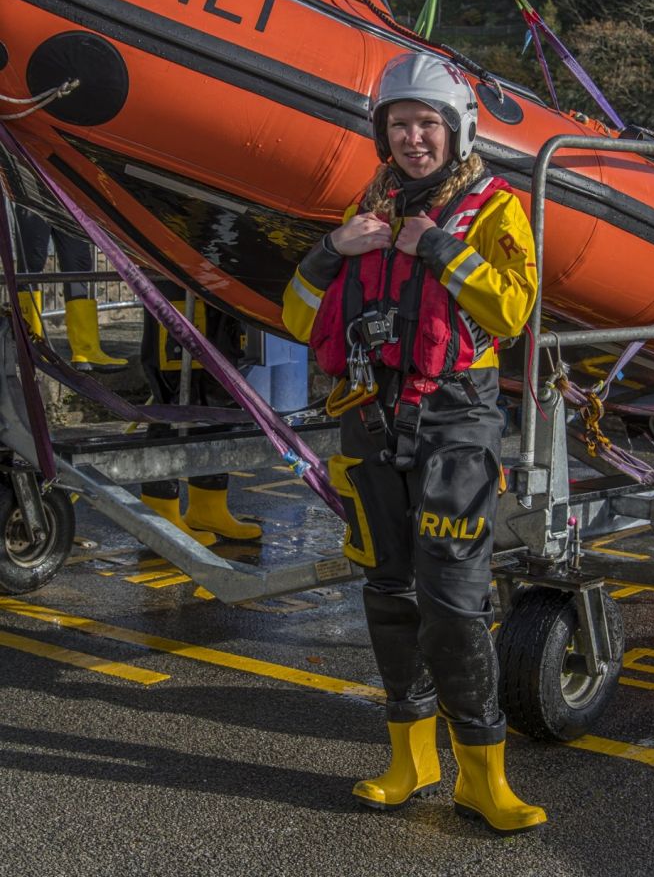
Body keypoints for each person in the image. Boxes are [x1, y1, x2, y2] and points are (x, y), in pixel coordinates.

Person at [282, 52, 545, 835]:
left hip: (454, 421)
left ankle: (482, 776)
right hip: (369, 415)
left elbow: (510, 311)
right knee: (386, 593)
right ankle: (409, 759)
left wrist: (436, 249)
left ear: (456, 128)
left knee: (455, 605)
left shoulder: (495, 209)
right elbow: (298, 315)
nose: (413, 138)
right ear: (381, 133)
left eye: (426, 123)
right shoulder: (363, 217)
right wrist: (335, 249)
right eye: (398, 124)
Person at [139, 280, 262, 545]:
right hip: (177, 285)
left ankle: (208, 507)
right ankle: (160, 511)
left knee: (218, 400)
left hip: (218, 291)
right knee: (174, 402)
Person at [15, 207, 128, 372]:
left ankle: (86, 351)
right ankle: (29, 347)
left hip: (65, 197)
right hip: (31, 195)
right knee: (30, 266)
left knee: (78, 266)